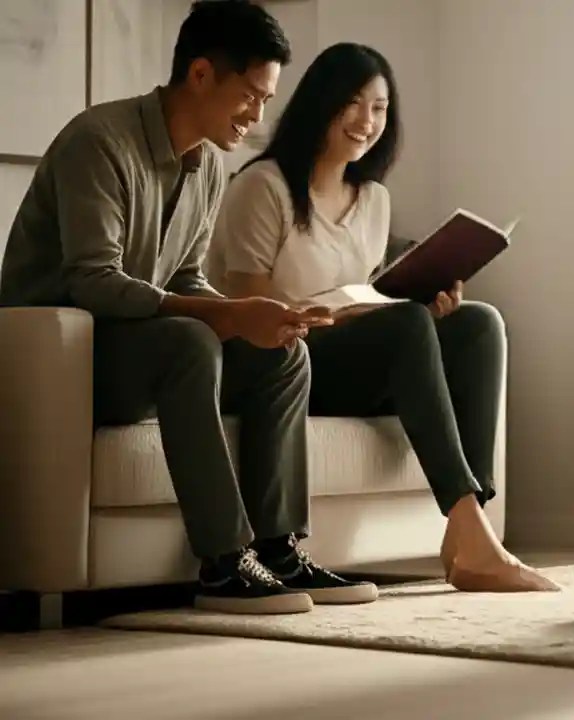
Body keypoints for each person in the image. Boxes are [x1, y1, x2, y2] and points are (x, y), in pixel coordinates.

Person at [0, 0, 377, 615]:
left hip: (147, 349)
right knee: (191, 340)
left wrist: (252, 314)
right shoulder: (98, 141)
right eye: (250, 96)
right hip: (64, 364)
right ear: (200, 74)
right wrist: (225, 317)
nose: (257, 116)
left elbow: (186, 277)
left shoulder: (207, 167)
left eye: (266, 100)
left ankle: (278, 549)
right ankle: (224, 564)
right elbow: (94, 281)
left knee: (283, 354)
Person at [206, 42, 557, 593]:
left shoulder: (373, 199)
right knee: (405, 326)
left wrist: (418, 300)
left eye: (379, 107)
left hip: (346, 359)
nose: (366, 121)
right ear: (320, 103)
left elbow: (369, 294)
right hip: (282, 365)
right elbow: (250, 309)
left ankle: (468, 526)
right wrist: (355, 318)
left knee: (478, 325)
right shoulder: (262, 186)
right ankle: (473, 536)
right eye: (352, 103)